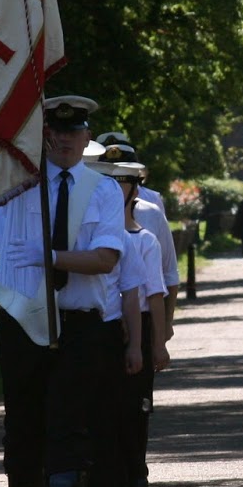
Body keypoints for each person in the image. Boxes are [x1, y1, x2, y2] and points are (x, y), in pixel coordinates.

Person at [0, 94, 125, 487]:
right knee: (21, 428)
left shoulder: (102, 190)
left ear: (87, 137)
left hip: (78, 323)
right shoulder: (15, 188)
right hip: (21, 322)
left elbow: (106, 260)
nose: (65, 140)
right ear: (44, 136)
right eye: (56, 132)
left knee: (69, 425)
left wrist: (53, 258)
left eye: (74, 131)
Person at [91, 151, 171, 487]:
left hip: (137, 320)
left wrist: (157, 340)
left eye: (124, 183)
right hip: (108, 320)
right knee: (106, 404)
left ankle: (136, 468)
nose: (117, 189)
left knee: (136, 404)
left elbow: (154, 292)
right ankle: (110, 474)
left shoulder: (143, 239)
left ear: (134, 191)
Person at [97, 130, 181, 334]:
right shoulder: (85, 210)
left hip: (143, 314)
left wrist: (166, 323)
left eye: (121, 179)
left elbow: (167, 270)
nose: (114, 187)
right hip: (101, 316)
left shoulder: (150, 209)